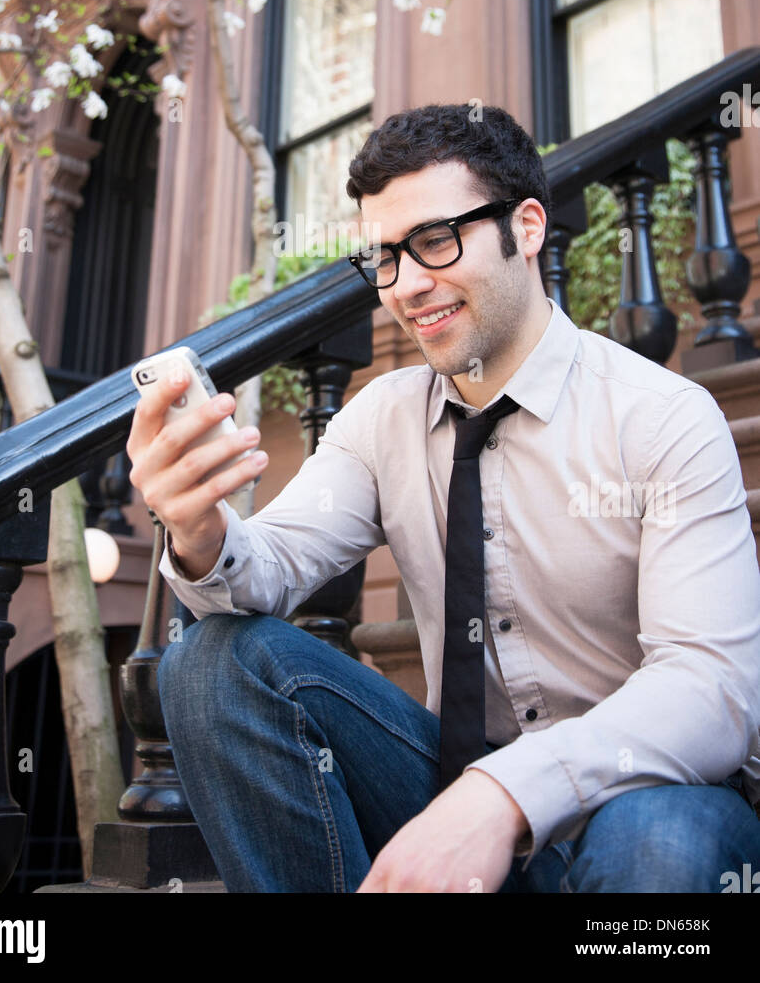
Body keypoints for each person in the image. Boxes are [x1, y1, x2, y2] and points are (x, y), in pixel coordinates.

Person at [127, 103, 760, 893]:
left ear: (526, 227)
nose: (407, 286)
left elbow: (713, 692)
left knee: (663, 841)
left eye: (434, 241)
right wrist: (194, 527)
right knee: (210, 661)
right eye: (384, 257)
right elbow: (270, 563)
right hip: (446, 786)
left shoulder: (661, 418)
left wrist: (506, 794)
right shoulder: (382, 418)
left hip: (637, 798)